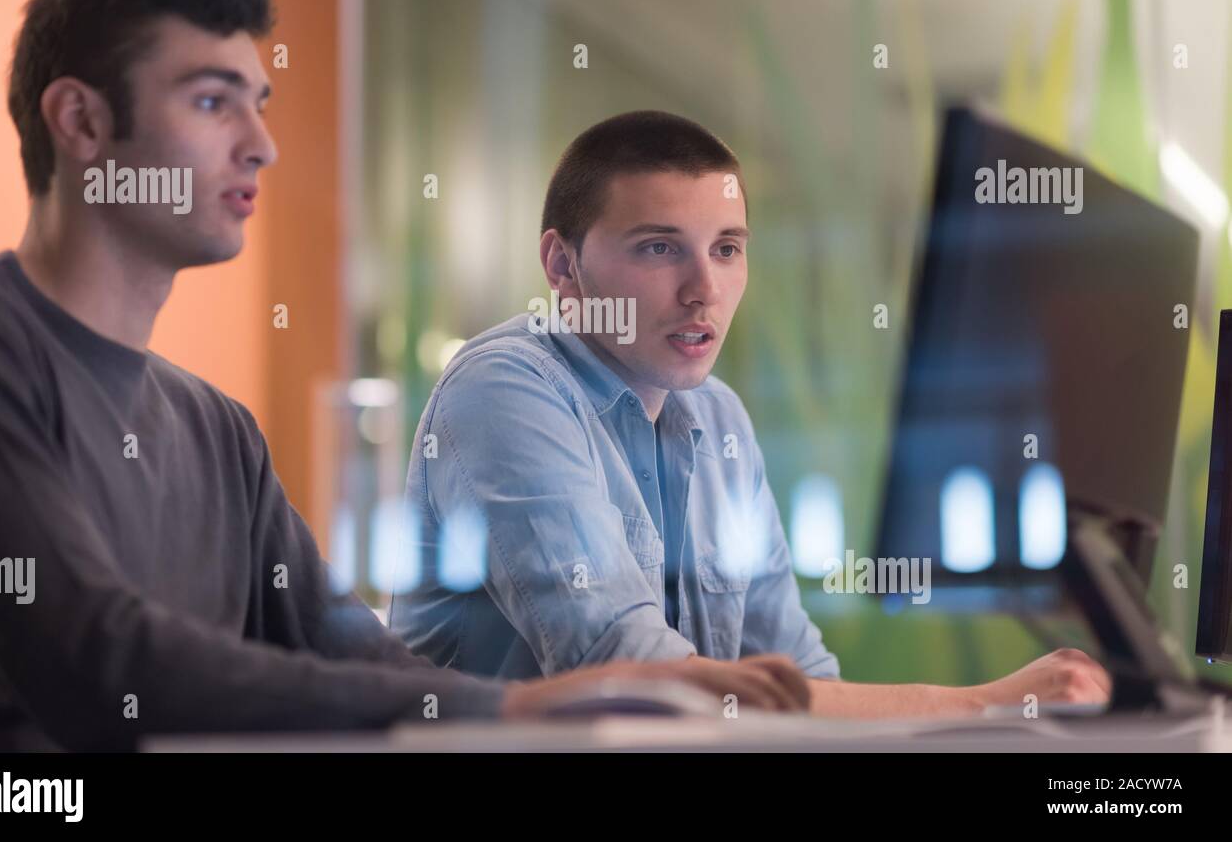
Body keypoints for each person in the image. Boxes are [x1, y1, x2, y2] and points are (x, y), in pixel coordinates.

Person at [0, 0, 810, 752]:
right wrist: (509, 704)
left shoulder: (216, 430)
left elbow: (354, 653)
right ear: (81, 123)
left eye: (259, 104)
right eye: (211, 101)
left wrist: (541, 707)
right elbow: (98, 658)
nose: (262, 146)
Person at [390, 109, 1113, 717]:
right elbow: (629, 674)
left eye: (728, 248)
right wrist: (986, 703)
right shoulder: (504, 387)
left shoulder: (718, 419)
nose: (703, 288)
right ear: (561, 266)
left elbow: (796, 673)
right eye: (659, 247)